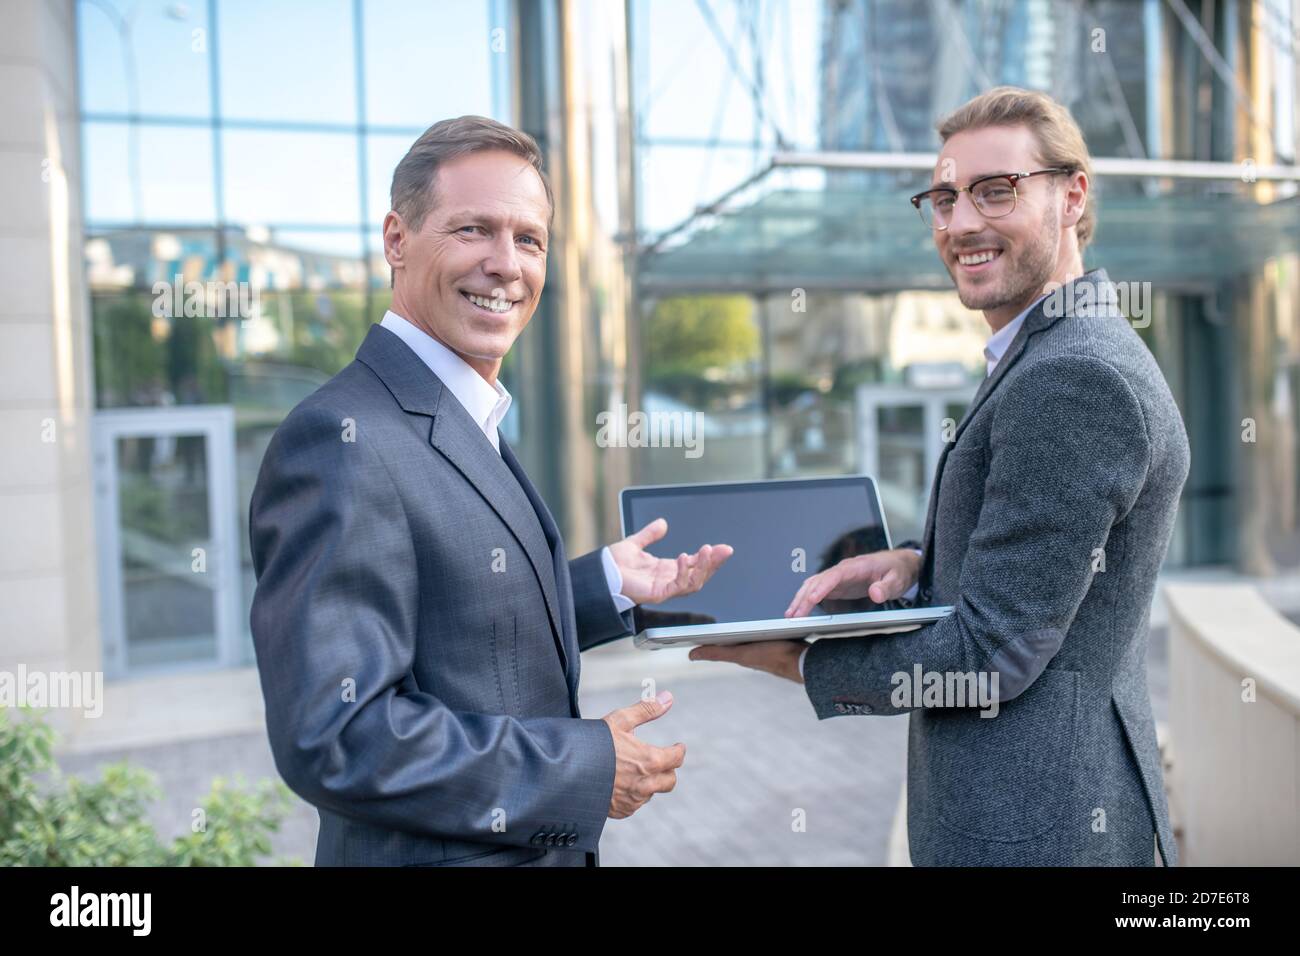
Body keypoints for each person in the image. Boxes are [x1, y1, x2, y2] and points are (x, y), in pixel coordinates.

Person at [692, 87, 1188, 866]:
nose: (960, 224)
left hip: (1038, 831)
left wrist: (808, 663)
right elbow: (1042, 575)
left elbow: (993, 654)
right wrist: (920, 565)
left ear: (1072, 195)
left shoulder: (1074, 376)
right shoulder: (1051, 351)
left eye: (997, 191)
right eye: (945, 198)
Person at [249, 115, 732, 866]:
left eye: (529, 239)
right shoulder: (341, 440)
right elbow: (337, 736)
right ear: (397, 240)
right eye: (473, 229)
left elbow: (456, 628)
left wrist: (605, 584)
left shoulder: (464, 414)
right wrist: (585, 768)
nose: (506, 264)